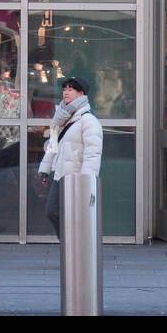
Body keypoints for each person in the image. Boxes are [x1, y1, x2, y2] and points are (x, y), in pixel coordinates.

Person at [37, 77, 103, 238]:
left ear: (81, 94)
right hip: (60, 175)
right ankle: (70, 245)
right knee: (52, 211)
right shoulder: (61, 118)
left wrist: (87, 181)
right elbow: (53, 146)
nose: (65, 92)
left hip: (77, 178)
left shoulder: (88, 121)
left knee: (76, 216)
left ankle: (77, 248)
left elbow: (93, 154)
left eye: (70, 89)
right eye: (64, 88)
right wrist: (45, 169)